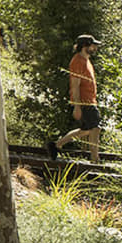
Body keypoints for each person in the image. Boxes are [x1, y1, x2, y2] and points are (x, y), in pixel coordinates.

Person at [49, 34, 101, 163]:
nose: (95, 47)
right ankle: (95, 159)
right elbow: (75, 85)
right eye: (93, 45)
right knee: (95, 128)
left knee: (86, 130)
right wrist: (77, 106)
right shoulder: (77, 61)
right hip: (84, 101)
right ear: (85, 46)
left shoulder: (86, 60)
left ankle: (56, 145)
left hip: (90, 100)